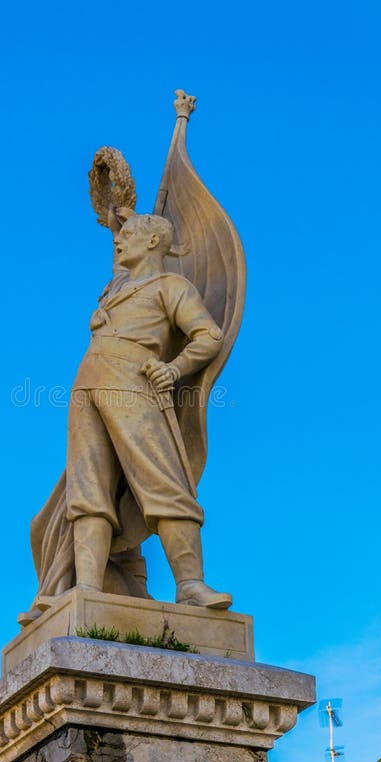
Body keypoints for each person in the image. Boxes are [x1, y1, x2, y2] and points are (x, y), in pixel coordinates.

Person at [66, 211, 232, 608]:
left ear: (154, 242)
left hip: (132, 380)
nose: (119, 242)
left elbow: (209, 336)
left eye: (128, 235)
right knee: (88, 489)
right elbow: (118, 264)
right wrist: (120, 218)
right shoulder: (116, 288)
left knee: (163, 479)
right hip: (86, 383)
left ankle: (190, 585)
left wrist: (174, 368)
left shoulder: (171, 286)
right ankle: (87, 587)